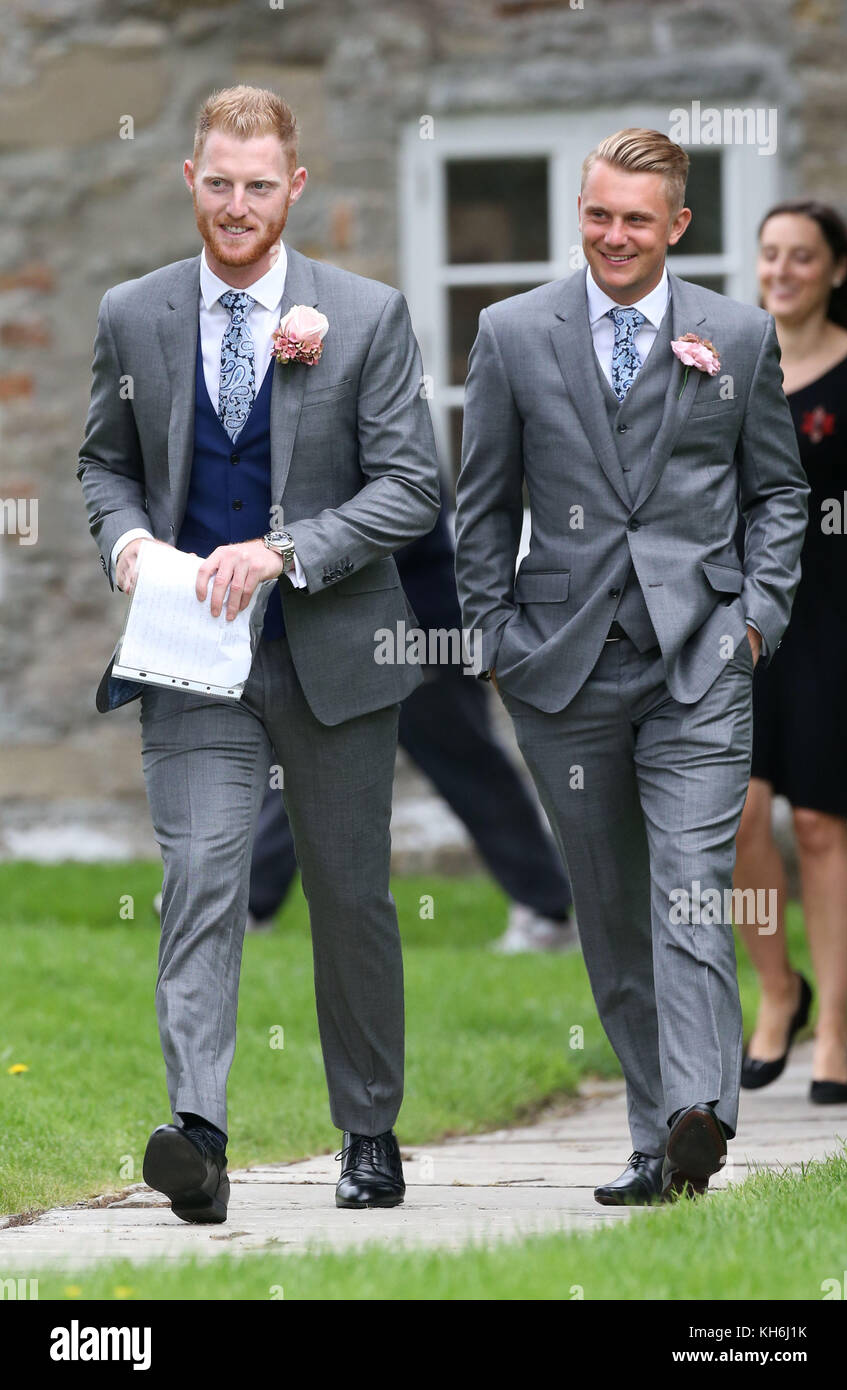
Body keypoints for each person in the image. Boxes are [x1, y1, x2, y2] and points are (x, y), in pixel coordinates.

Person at [77, 85, 440, 1223]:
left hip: (331, 655)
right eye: (218, 184)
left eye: (259, 185)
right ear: (190, 181)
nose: (237, 206)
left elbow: (411, 487)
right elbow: (103, 464)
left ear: (295, 188)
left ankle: (369, 1130)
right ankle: (199, 1135)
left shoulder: (366, 316)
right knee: (201, 876)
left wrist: (287, 550)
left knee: (349, 897)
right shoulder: (132, 313)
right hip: (191, 657)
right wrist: (127, 538)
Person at [454, 128, 809, 1206]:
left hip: (698, 661)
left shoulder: (735, 336)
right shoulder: (512, 334)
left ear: (677, 228)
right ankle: (655, 1142)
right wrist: (494, 639)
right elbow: (480, 506)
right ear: (581, 209)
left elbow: (778, 492)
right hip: (558, 671)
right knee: (612, 919)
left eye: (636, 221)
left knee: (689, 893)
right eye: (598, 215)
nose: (614, 236)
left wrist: (753, 616)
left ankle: (699, 1111)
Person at [247, 493, 577, 951]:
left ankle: (546, 909)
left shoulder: (392, 432)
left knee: (467, 766)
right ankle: (248, 901)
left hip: (418, 631)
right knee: (309, 761)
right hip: (349, 628)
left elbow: (393, 523)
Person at [735, 200, 847, 1104]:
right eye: (769, 254)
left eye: (801, 257)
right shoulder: (730, 361)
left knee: (819, 822)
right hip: (744, 614)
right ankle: (777, 991)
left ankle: (833, 1030)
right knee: (738, 815)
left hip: (837, 618)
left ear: (837, 271)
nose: (781, 271)